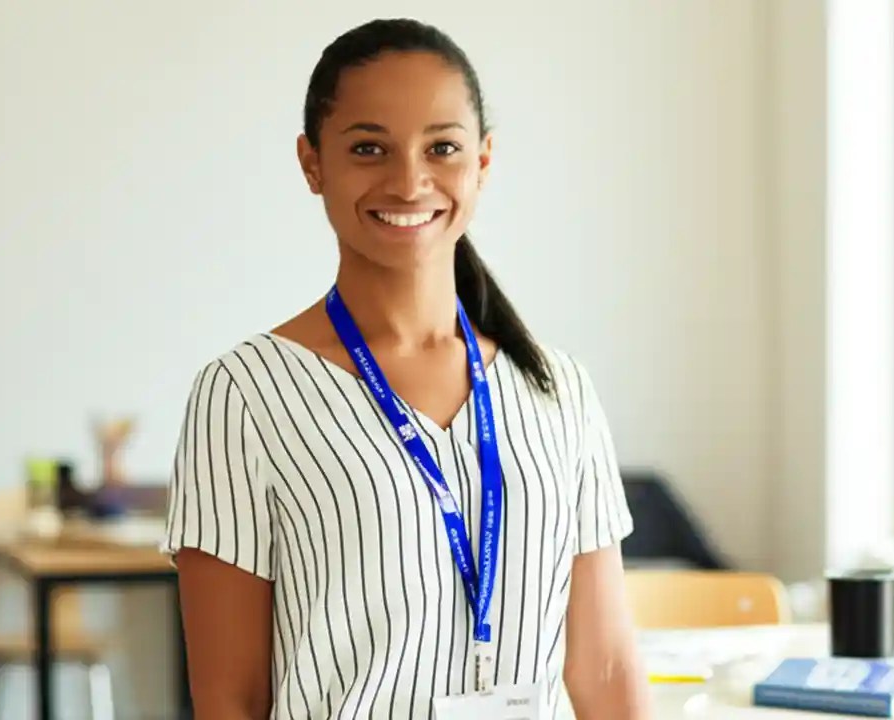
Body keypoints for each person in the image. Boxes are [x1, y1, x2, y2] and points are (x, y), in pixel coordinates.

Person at [161, 17, 650, 720]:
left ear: (482, 162)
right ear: (312, 163)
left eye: (442, 147)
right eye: (369, 148)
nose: (410, 180)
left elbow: (604, 668)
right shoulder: (242, 397)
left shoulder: (560, 389)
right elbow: (230, 699)